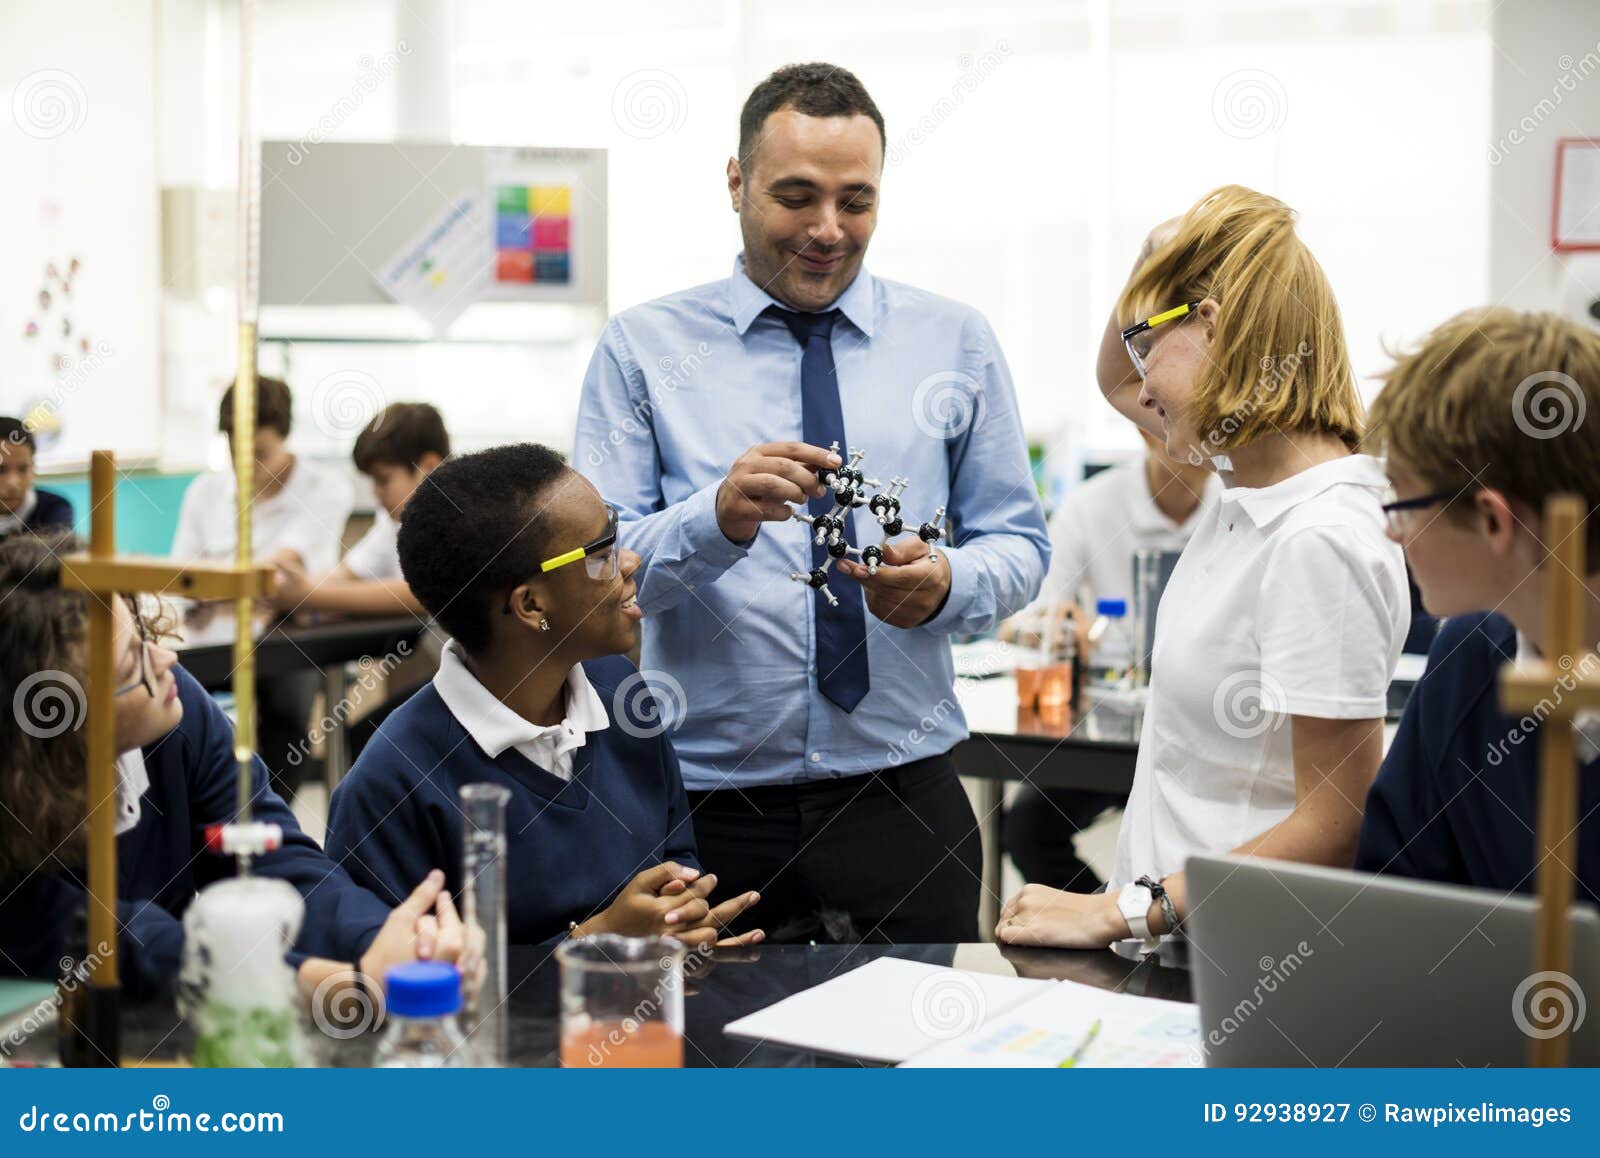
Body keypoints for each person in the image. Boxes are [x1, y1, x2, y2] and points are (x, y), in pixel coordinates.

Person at [574, 62, 1050, 943]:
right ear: (736, 183)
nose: (829, 229)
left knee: (912, 1038)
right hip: (707, 812)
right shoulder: (643, 349)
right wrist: (713, 520)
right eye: (796, 196)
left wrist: (947, 584)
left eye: (855, 201)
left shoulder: (955, 342)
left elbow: (1020, 543)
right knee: (713, 1038)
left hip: (905, 804)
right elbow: (595, 574)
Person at [998, 185, 1409, 948]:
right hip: (1185, 944)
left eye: (1149, 347)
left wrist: (1120, 910)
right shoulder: (1245, 483)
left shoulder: (1318, 537)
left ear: (1213, 326)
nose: (1142, 385)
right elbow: (1116, 380)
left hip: (1239, 961)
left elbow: (1337, 823)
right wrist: (1151, 261)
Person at [326, 444, 765, 949]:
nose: (630, 562)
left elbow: (675, 859)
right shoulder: (391, 785)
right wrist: (595, 945)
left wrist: (679, 925)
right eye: (601, 554)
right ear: (532, 604)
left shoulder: (619, 690)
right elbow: (387, 977)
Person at [0, 534, 464, 1006]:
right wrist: (326, 982)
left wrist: (389, 941)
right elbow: (116, 941)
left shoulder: (175, 708)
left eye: (143, 635)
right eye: (131, 666)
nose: (166, 660)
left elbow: (276, 858)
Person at [1355, 308, 1600, 900]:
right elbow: (1392, 904)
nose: (1392, 533)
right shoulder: (1465, 660)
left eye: (1402, 504)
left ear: (1493, 520)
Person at [1001, 428, 1218, 892]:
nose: (1204, 444)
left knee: (1207, 841)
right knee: (1027, 828)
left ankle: (1159, 920)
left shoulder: (1235, 507)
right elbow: (1022, 622)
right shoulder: (1091, 505)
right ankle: (1100, 917)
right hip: (1110, 723)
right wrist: (1055, 625)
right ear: (1147, 429)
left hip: (1205, 726)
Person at [171, 375, 353, 801]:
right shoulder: (204, 492)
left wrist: (215, 583)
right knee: (176, 707)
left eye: (261, 454)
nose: (247, 466)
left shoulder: (326, 487)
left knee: (287, 710)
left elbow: (279, 573)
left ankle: (272, 815)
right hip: (210, 638)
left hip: (288, 637)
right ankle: (204, 818)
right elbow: (181, 577)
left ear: (286, 437)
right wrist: (233, 585)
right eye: (237, 452)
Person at [268, 401, 448, 618]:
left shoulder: (458, 518)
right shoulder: (393, 523)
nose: (375, 492)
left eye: (383, 480)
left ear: (428, 467)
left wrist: (309, 595)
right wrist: (286, 588)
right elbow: (348, 573)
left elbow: (423, 593)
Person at [0, 417, 74, 540]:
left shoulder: (54, 509)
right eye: (1, 470)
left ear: (33, 468)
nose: (13, 483)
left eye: (23, 469)